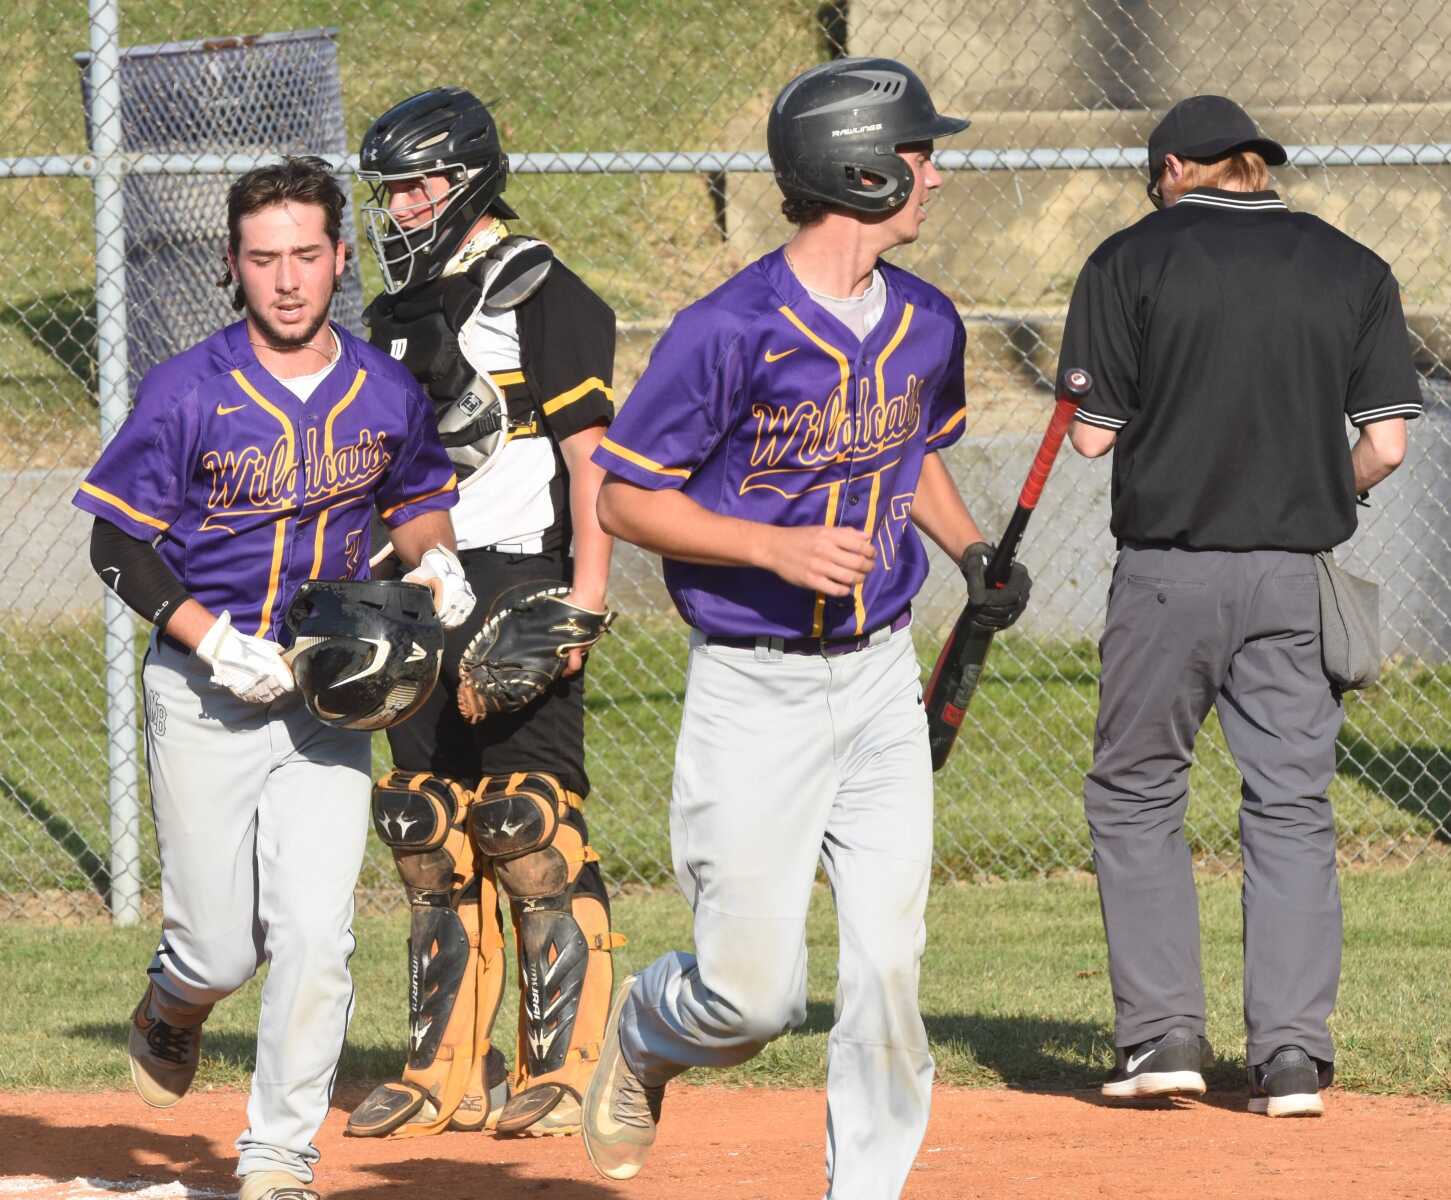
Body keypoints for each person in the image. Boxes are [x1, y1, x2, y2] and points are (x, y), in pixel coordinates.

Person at [578, 58, 1030, 1198]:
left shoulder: (925, 322)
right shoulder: (726, 328)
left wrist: (969, 550)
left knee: (885, 971)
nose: (937, 175)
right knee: (751, 1002)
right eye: (921, 155)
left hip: (877, 678)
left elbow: (910, 447)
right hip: (753, 689)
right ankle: (647, 1029)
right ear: (862, 168)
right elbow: (626, 497)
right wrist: (769, 546)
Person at [74, 156, 475, 1200]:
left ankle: (278, 1158)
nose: (288, 279)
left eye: (307, 254)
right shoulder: (187, 390)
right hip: (205, 690)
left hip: (324, 694)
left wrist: (433, 556)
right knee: (216, 950)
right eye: (264, 259)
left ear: (341, 259)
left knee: (315, 931)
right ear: (232, 267)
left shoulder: (381, 387)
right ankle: (174, 1002)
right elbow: (119, 548)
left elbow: (415, 497)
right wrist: (209, 639)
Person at [1060, 94, 1420, 1116]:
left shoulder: (1128, 259)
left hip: (1167, 570)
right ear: (1254, 166)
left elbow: (1091, 436)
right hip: (1291, 574)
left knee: (1135, 793)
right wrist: (1320, 483)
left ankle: (1163, 1035)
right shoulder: (1349, 264)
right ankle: (1292, 1057)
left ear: (1174, 166)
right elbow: (1385, 444)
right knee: (1290, 805)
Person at [344, 86, 622, 1141]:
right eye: (389, 193)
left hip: (520, 579)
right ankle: (443, 1068)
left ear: (466, 183)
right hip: (418, 585)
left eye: (415, 188)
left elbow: (596, 464)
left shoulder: (541, 292)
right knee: (423, 821)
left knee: (523, 820)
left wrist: (581, 602)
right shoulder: (393, 315)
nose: (400, 209)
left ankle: (564, 1066)